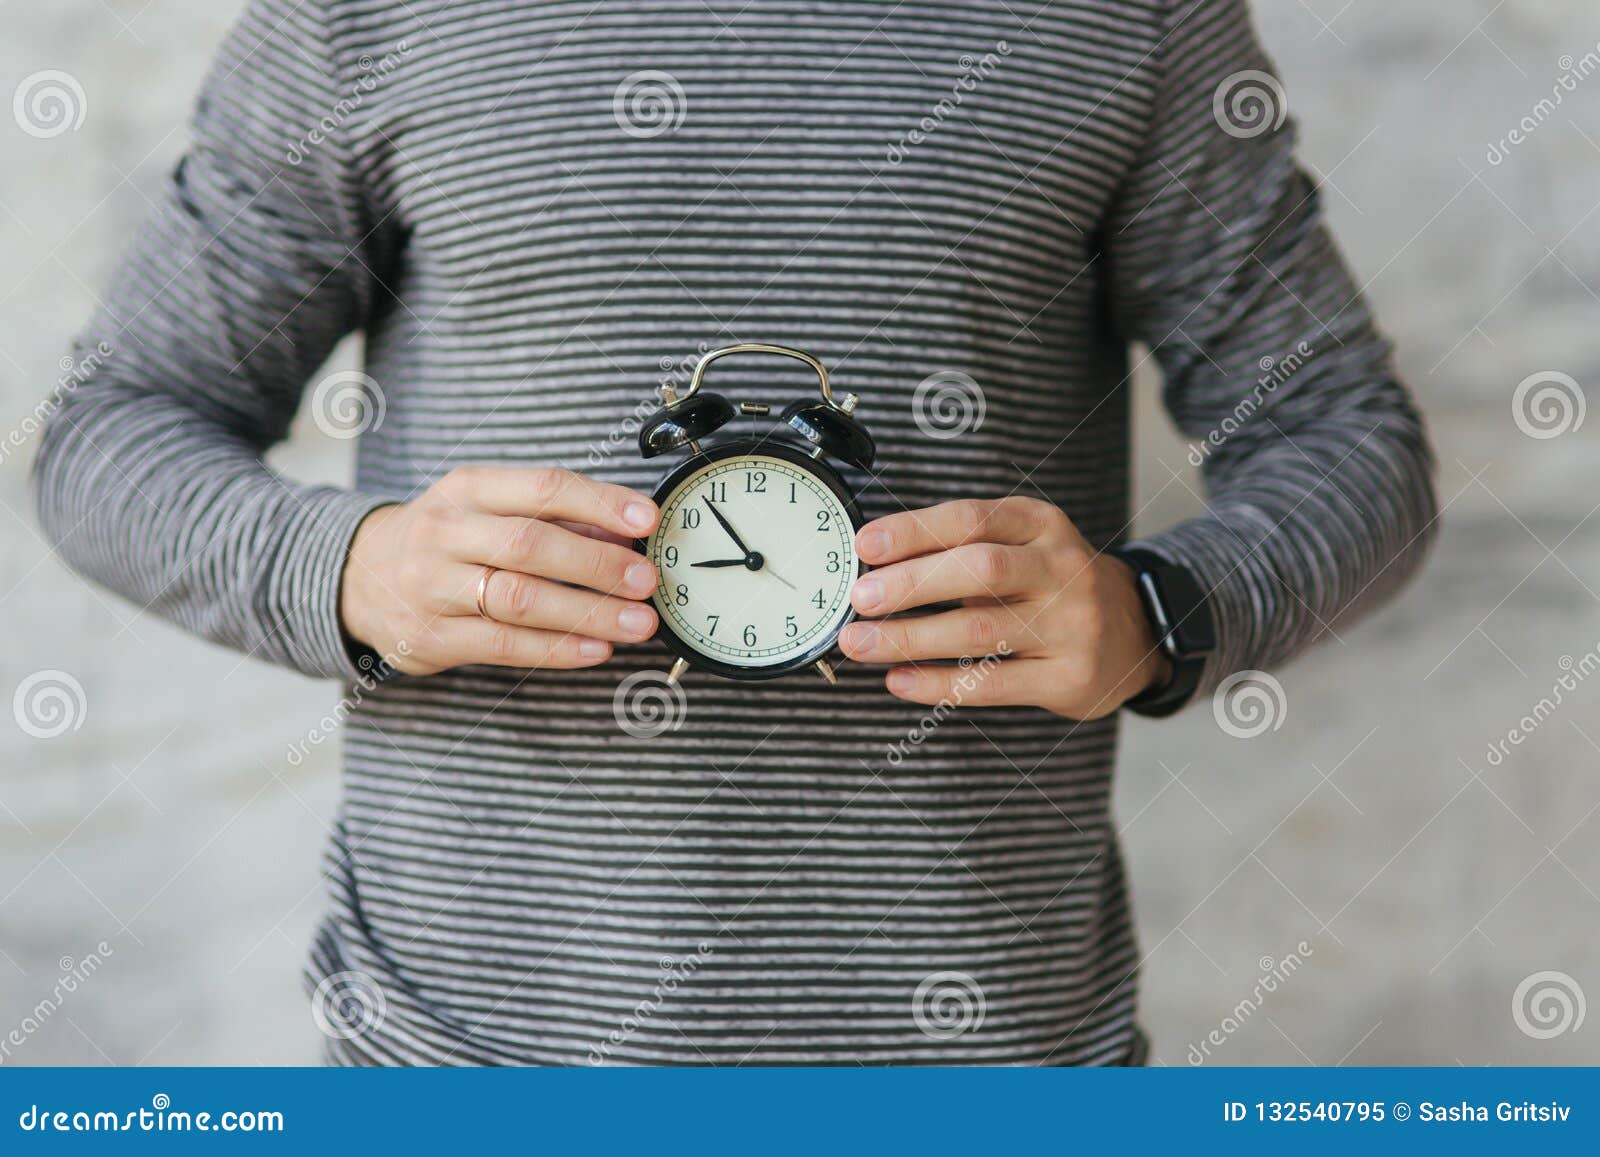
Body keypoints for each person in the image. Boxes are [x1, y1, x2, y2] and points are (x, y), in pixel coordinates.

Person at [34, 0, 1435, 1065]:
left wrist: (1161, 615)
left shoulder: (1133, 23)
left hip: (990, 1061)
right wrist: (349, 569)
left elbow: (1350, 441)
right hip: (460, 1061)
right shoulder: (364, 17)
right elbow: (112, 430)